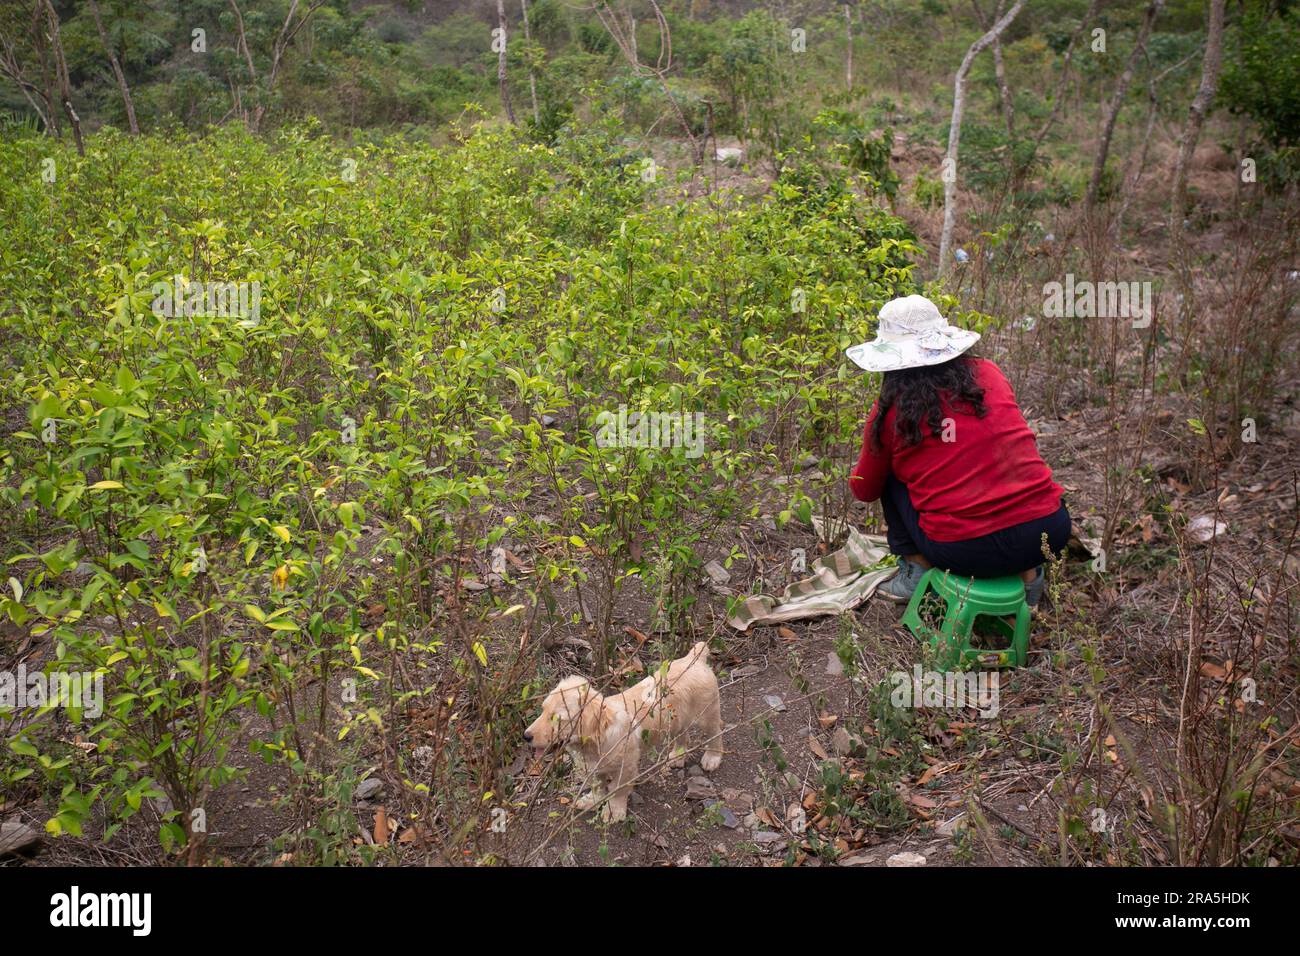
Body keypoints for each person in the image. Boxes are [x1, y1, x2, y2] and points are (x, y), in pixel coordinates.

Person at [845, 295, 1070, 605]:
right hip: (1051, 531)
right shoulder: (989, 373)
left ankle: (916, 570)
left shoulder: (891, 410)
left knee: (890, 477)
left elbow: (865, 489)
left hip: (965, 550)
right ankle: (1030, 578)